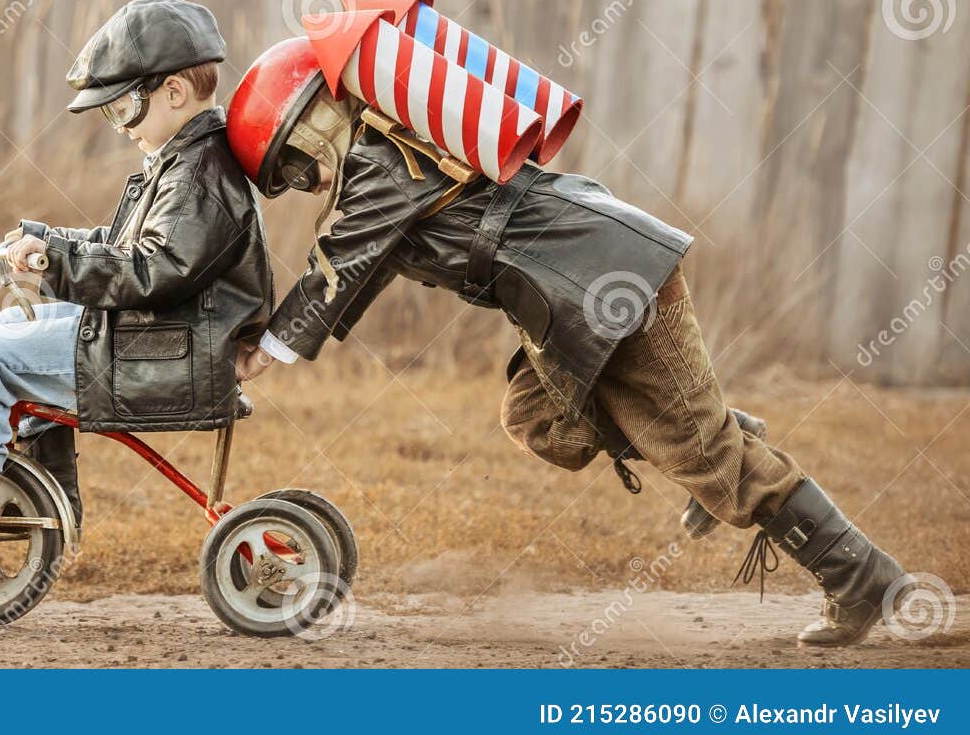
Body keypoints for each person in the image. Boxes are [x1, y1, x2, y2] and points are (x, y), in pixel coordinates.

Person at [225, 37, 913, 648]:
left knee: (715, 465)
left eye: (287, 164)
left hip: (615, 283)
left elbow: (341, 258)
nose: (295, 183)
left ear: (314, 120)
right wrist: (279, 335)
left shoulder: (380, 160)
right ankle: (714, 429)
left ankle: (864, 582)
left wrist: (266, 352)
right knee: (537, 418)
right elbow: (362, 265)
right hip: (575, 301)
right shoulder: (389, 163)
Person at [0, 0, 272, 563]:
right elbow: (127, 247)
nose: (120, 128)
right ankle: (51, 489)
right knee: (8, 325)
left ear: (173, 93)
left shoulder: (196, 175)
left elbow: (151, 272)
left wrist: (54, 263)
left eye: (123, 111)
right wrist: (49, 243)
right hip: (165, 340)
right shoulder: (187, 160)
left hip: (167, 355)